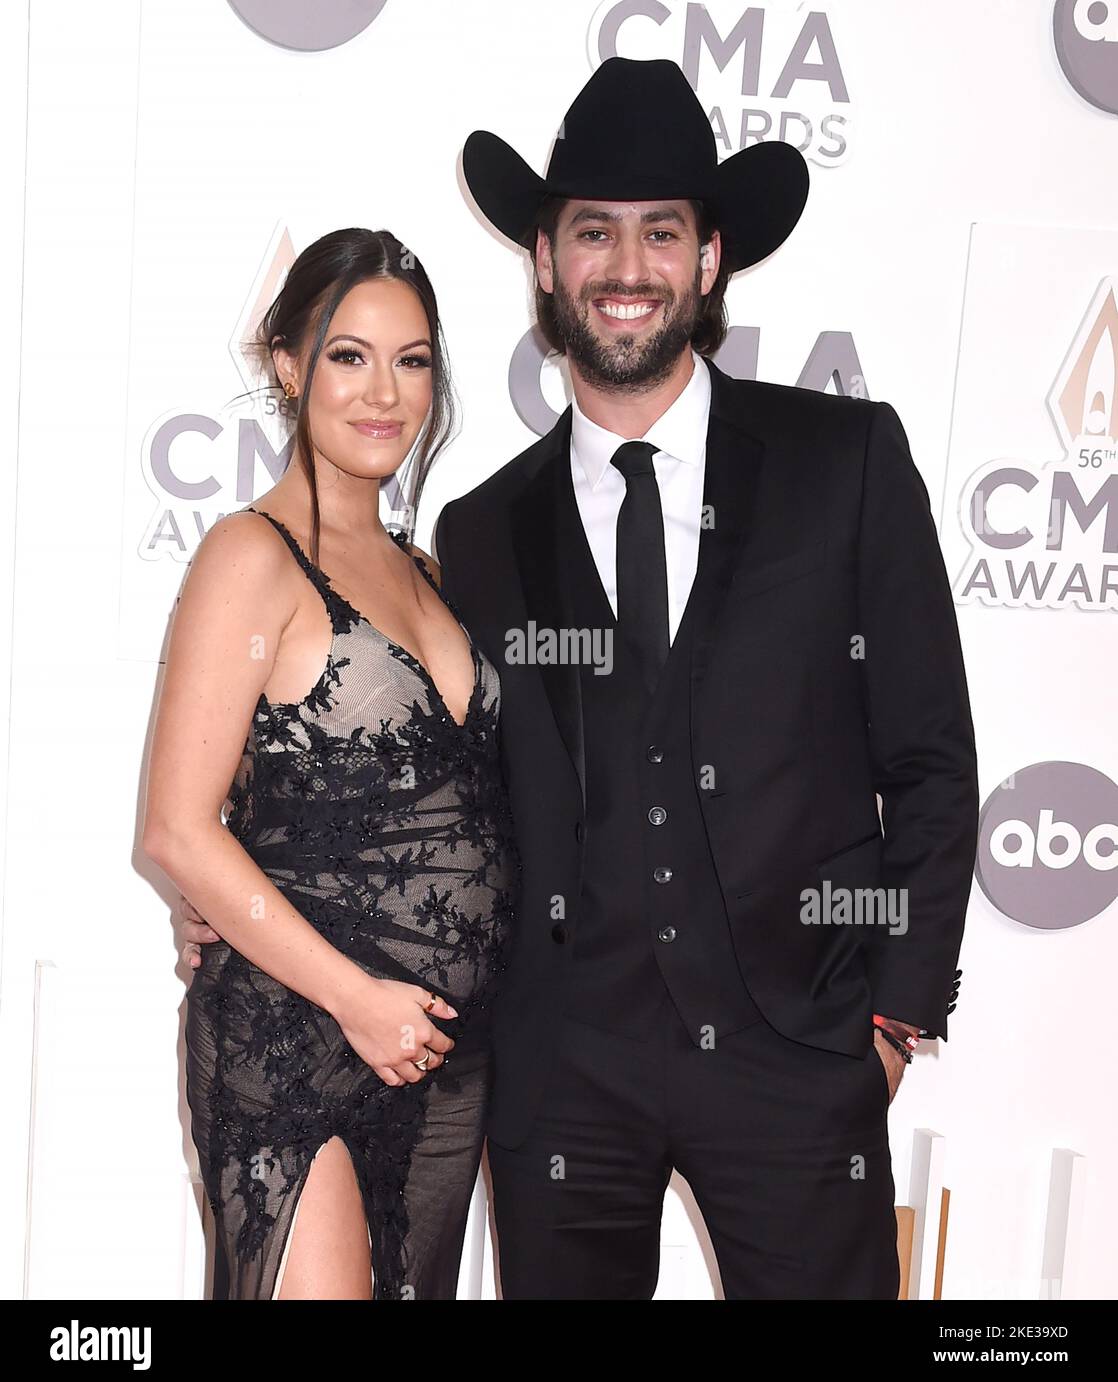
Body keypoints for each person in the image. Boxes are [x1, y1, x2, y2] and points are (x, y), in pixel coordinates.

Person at [438, 56, 977, 1298]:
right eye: (592, 232)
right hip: (565, 1070)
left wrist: (891, 1021)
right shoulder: (480, 531)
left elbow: (930, 762)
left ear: (710, 256)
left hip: (796, 1060)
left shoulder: (840, 462)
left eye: (660, 233)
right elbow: (444, 799)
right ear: (542, 258)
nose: (625, 270)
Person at [143, 228, 518, 1300]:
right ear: (289, 365)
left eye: (412, 360)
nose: (384, 392)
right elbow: (176, 826)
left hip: (444, 1058)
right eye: (349, 355)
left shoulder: (431, 568)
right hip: (298, 1036)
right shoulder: (249, 556)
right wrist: (355, 997)